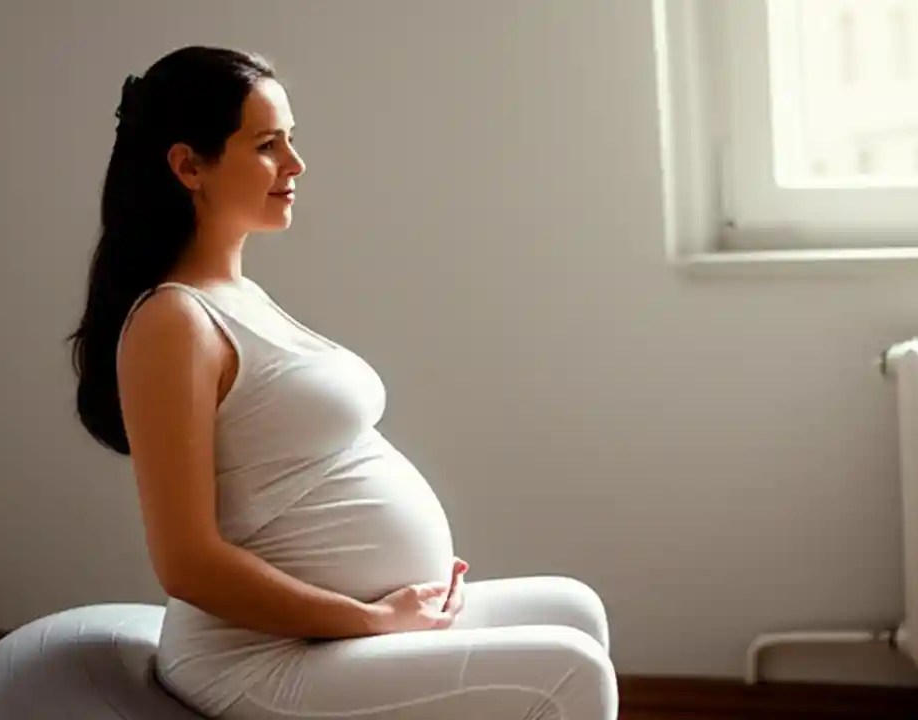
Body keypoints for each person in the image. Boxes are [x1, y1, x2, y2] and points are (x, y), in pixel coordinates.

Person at [68, 46, 617, 720]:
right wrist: (371, 617)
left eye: (291, 141)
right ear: (188, 166)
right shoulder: (172, 321)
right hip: (257, 658)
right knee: (569, 670)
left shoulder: (240, 296)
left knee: (575, 609)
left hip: (330, 633)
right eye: (268, 145)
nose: (295, 166)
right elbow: (186, 563)